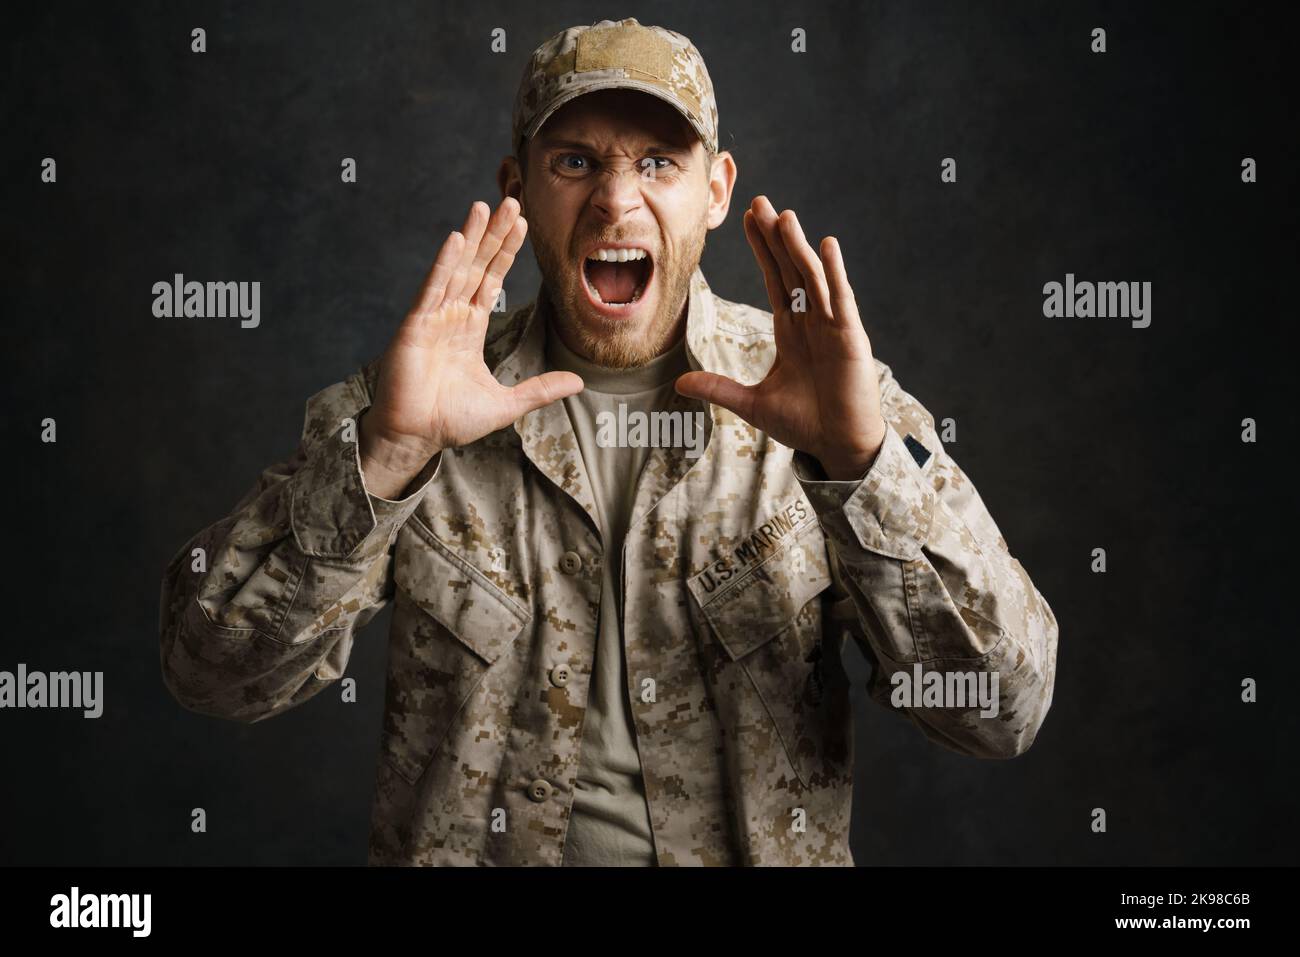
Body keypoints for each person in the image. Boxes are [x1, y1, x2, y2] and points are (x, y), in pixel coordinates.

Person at [159, 17, 1059, 866]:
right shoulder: (414, 400)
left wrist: (864, 471)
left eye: (659, 163)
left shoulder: (830, 396)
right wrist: (387, 453)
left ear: (715, 192)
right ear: (519, 190)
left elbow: (1003, 709)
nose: (615, 201)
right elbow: (211, 670)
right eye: (576, 161)